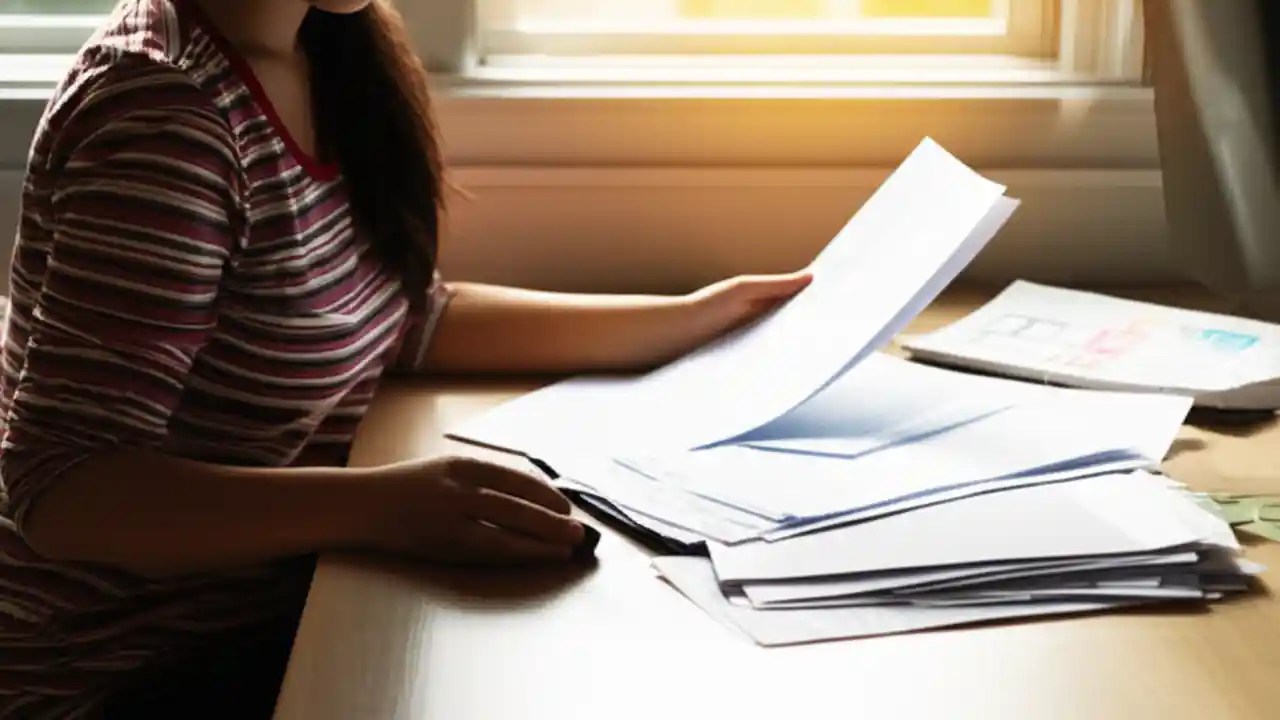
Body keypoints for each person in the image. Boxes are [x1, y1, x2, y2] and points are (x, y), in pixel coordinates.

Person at [0, 0, 811, 716]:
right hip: (116, 665)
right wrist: (386, 505)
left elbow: (400, 315)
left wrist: (691, 320)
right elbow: (69, 492)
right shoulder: (162, 113)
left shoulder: (326, 48)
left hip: (264, 601)